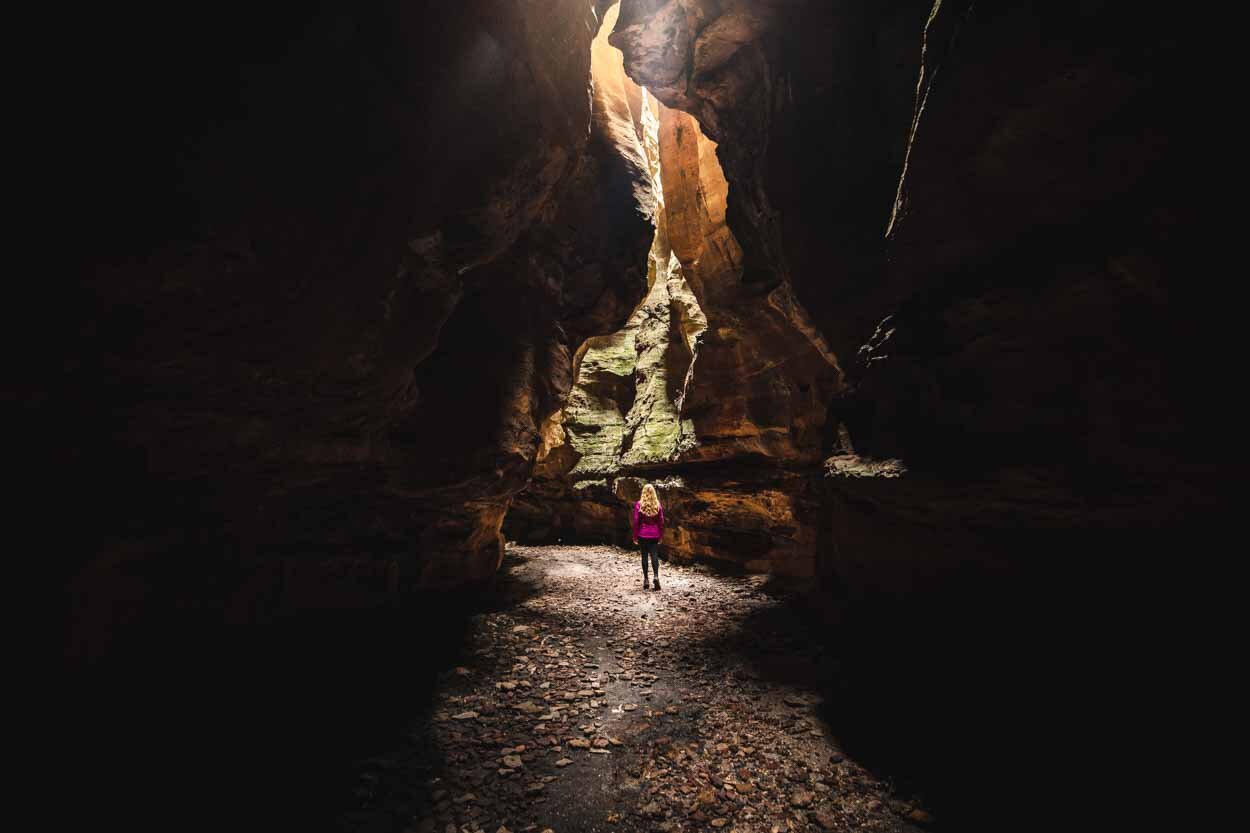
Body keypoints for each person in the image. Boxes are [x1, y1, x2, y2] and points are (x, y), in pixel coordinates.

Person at [631, 483, 665, 590]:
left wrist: (635, 536)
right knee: (654, 555)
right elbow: (661, 521)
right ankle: (656, 576)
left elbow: (636, 521)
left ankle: (646, 579)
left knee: (644, 556)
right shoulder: (657, 505)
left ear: (643, 493)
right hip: (654, 534)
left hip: (642, 534)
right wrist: (661, 535)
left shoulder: (639, 504)